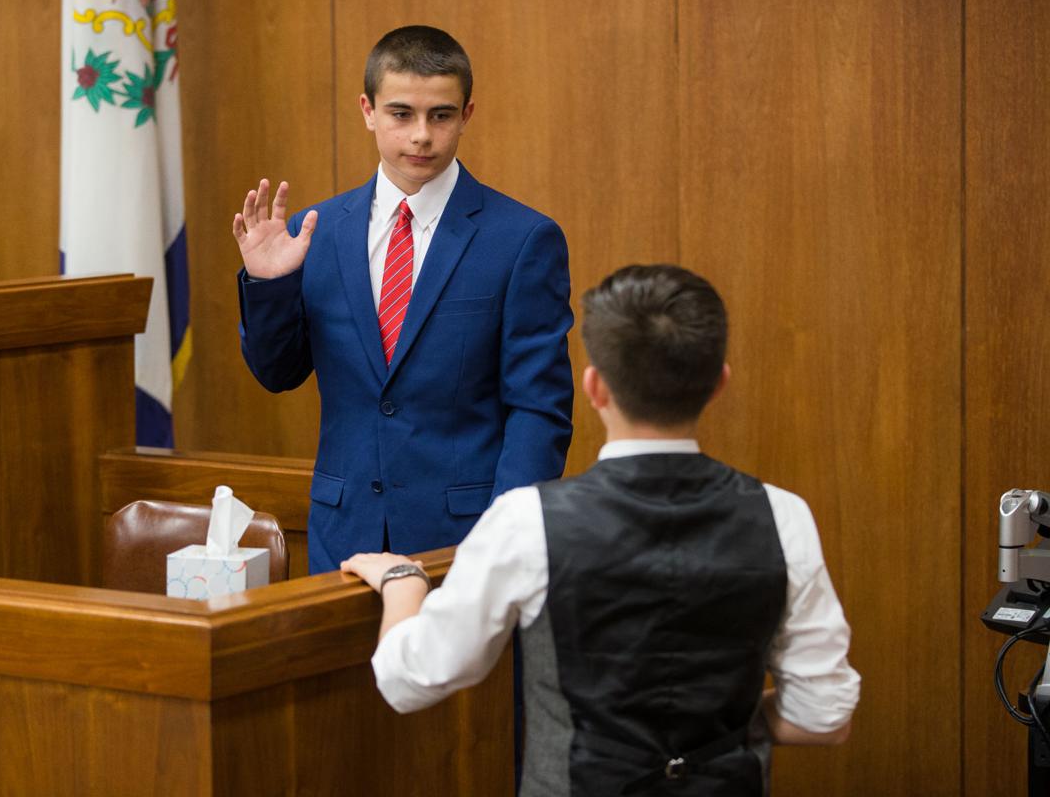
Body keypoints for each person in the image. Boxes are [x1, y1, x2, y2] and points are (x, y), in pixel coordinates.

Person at [342, 264, 860, 796]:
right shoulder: (783, 515)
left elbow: (407, 680)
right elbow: (824, 718)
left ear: (594, 387)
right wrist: (723, 731)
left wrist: (405, 578)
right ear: (718, 384)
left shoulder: (526, 522)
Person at [233, 25, 573, 574]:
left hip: (467, 543)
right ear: (367, 110)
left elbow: (539, 409)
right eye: (400, 114)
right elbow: (277, 374)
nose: (420, 136)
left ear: (466, 115)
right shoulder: (313, 233)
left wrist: (505, 539)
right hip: (344, 536)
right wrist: (270, 284)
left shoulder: (522, 239)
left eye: (440, 115)